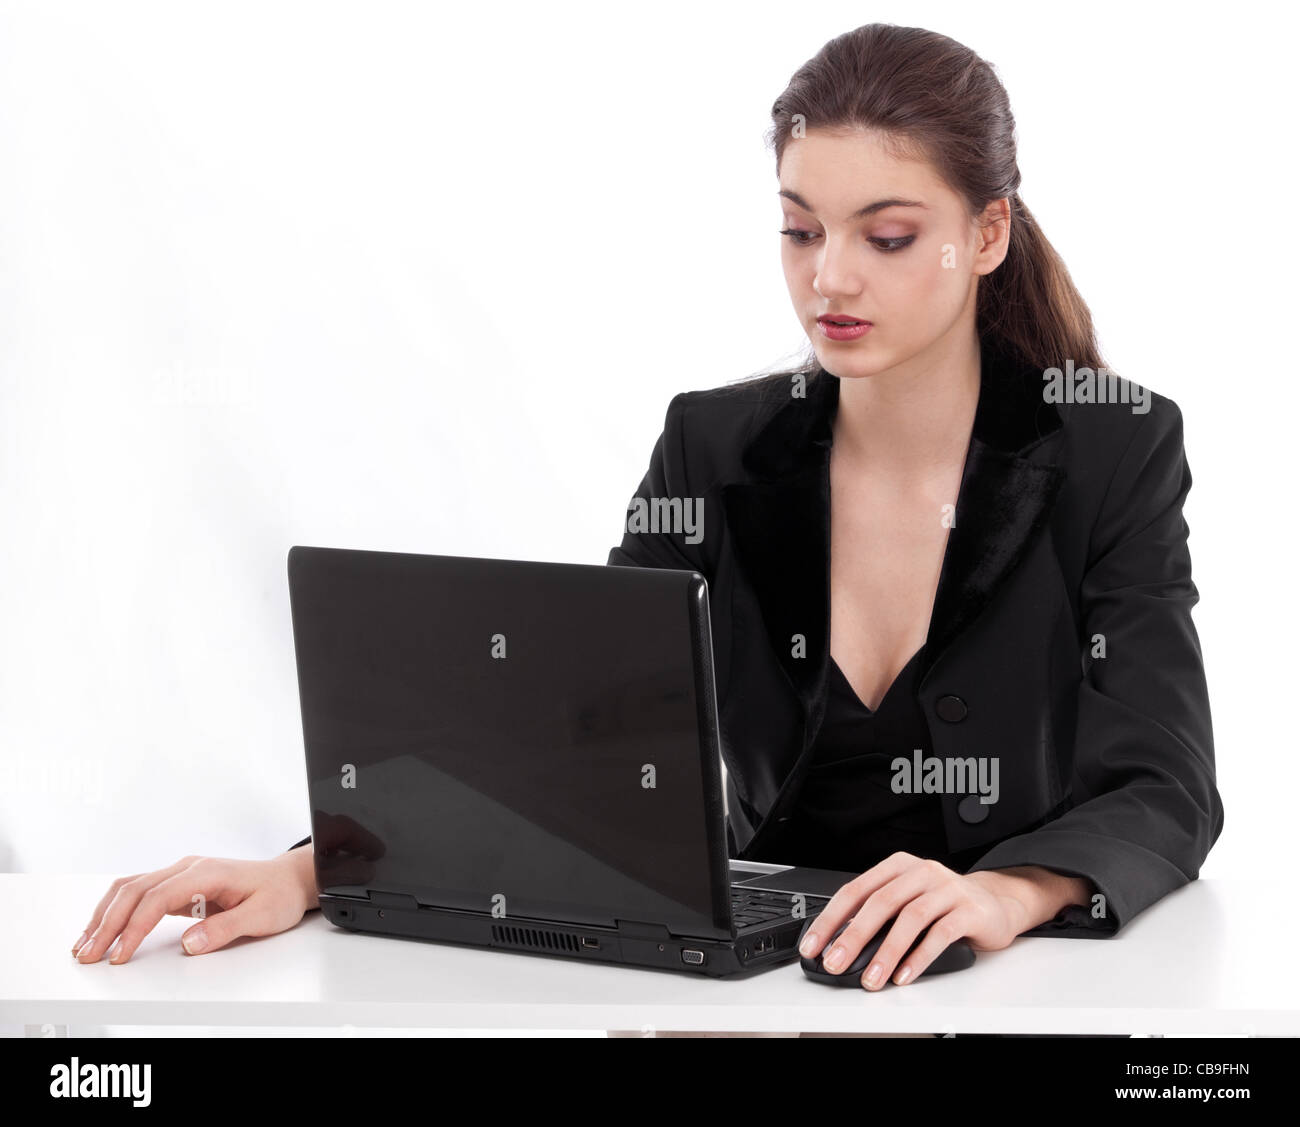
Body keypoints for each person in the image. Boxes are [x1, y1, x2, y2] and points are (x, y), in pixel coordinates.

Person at [71, 25, 1221, 1041]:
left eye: (884, 235)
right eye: (797, 228)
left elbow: (1165, 778)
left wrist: (1010, 891)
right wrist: (318, 865)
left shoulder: (1110, 448)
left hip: (995, 984)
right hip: (761, 980)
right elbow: (576, 736)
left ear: (985, 235)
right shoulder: (714, 448)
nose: (827, 278)